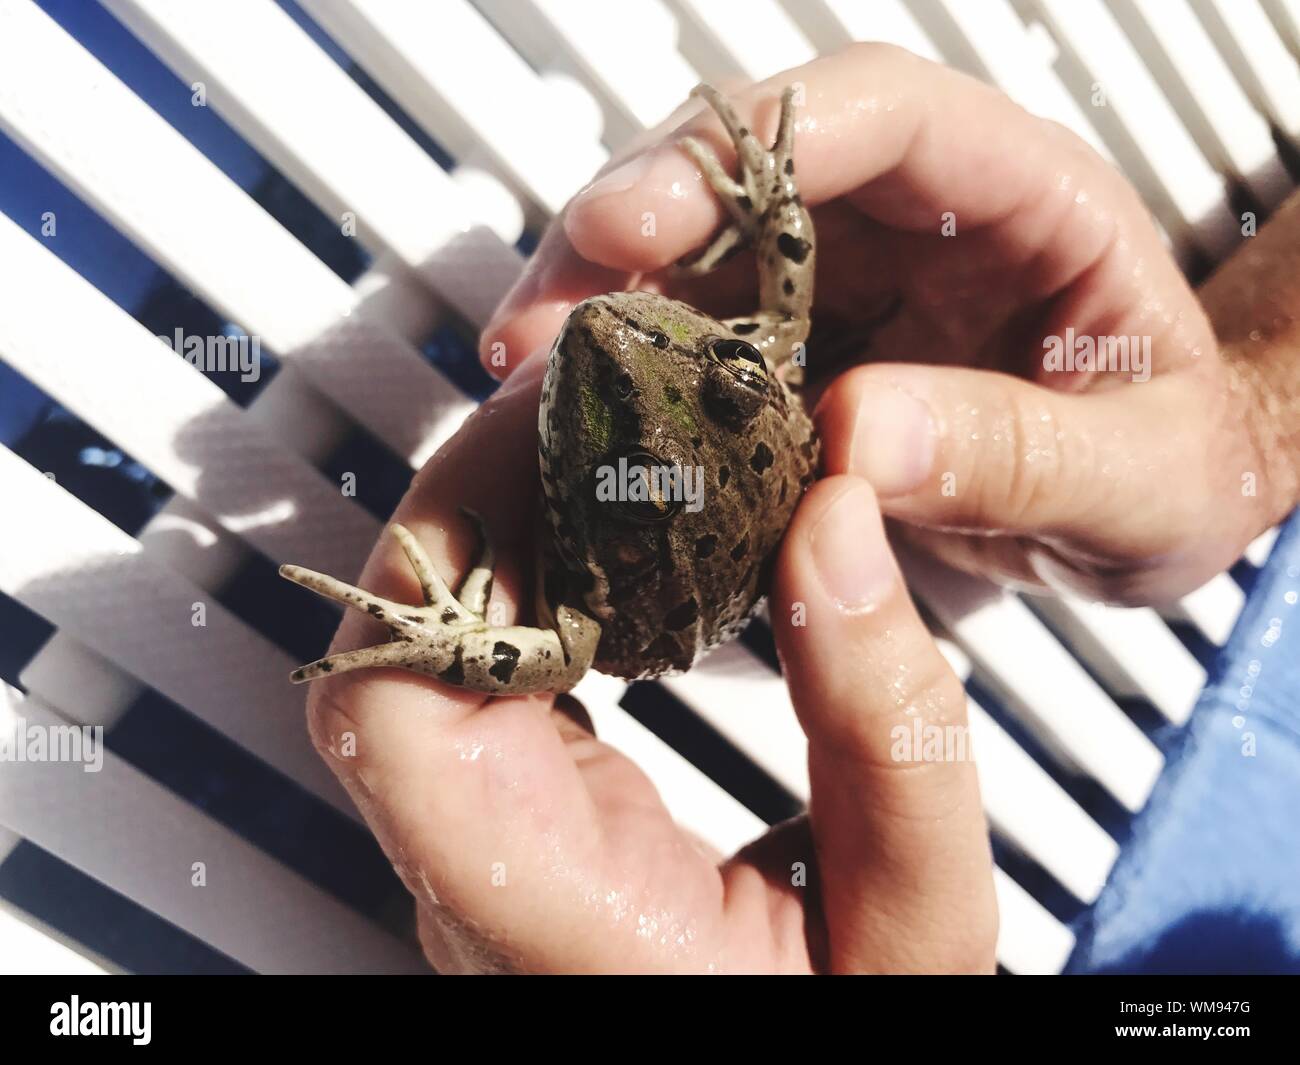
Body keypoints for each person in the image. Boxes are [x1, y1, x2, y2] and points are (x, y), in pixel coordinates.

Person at [303, 45, 1300, 973]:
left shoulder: (745, 392)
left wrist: (454, 644)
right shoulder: (770, 364)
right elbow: (783, 306)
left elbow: (566, 650)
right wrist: (1253, 431)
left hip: (685, 610)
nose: (624, 342)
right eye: (736, 373)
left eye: (719, 382)